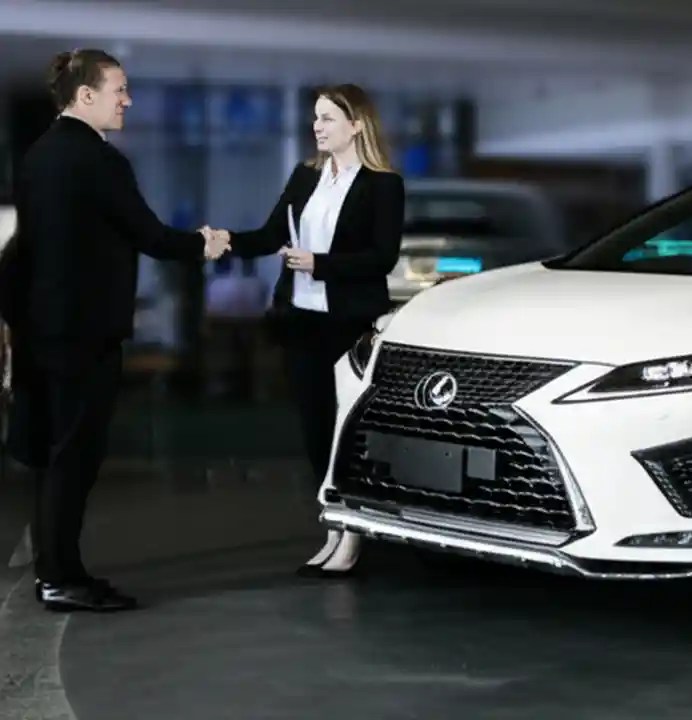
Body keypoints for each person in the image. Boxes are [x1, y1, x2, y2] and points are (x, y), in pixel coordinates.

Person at [0, 49, 229, 612]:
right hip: (84, 335)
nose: (128, 100)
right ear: (86, 96)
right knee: (75, 458)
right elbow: (150, 235)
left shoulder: (38, 155)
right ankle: (61, 579)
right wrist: (203, 245)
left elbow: (23, 250)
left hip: (39, 331)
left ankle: (55, 572)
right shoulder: (99, 161)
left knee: (53, 456)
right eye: (119, 89)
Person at [204, 84, 405, 578]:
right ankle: (334, 528)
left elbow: (382, 258)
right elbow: (271, 235)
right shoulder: (305, 176)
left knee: (346, 434)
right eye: (316, 117)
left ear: (357, 125)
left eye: (328, 118)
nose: (317, 126)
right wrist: (226, 240)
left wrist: (319, 263)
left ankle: (352, 533)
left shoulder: (383, 185)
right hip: (302, 322)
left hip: (348, 326)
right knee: (316, 433)